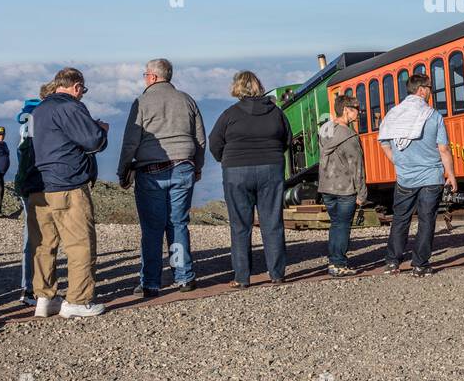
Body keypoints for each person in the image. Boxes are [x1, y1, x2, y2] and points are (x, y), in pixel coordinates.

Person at [117, 58, 207, 296]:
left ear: (154, 77)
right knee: (178, 222)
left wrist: (123, 171)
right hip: (184, 167)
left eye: (145, 74)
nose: (144, 78)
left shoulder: (142, 102)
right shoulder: (187, 100)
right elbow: (200, 139)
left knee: (152, 227)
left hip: (151, 170)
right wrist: (197, 167)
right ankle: (184, 277)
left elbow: (130, 142)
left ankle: (150, 282)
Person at [29, 68, 109, 318]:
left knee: (43, 244)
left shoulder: (37, 110)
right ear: (76, 86)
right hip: (67, 183)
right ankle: (78, 300)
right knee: (79, 244)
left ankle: (45, 296)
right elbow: (93, 141)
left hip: (38, 186)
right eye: (82, 90)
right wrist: (101, 129)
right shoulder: (71, 107)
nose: (82, 94)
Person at [208, 71, 290, 287]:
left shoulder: (230, 114)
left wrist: (225, 160)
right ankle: (277, 273)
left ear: (237, 88)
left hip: (236, 172)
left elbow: (214, 141)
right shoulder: (276, 113)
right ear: (259, 86)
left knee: (240, 225)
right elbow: (287, 139)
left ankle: (242, 277)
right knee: (272, 222)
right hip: (271, 169)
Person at [376, 73, 457, 277]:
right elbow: (444, 149)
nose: (431, 91)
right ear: (421, 90)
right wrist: (451, 174)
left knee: (400, 219)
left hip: (405, 177)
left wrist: (397, 160)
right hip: (431, 176)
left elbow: (383, 141)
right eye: (429, 87)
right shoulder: (433, 116)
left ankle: (393, 262)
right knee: (426, 220)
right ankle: (420, 264)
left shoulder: (394, 114)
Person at [13, 82, 54, 306]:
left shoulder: (26, 121)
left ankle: (27, 288)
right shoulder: (47, 119)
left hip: (25, 183)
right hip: (45, 183)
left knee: (31, 237)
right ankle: (41, 289)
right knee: (46, 239)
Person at [317, 93, 367, 277]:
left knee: (336, 224)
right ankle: (338, 263)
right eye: (356, 110)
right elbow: (357, 167)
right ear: (346, 110)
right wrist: (362, 193)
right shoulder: (349, 136)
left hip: (326, 187)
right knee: (343, 225)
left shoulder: (325, 131)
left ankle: (334, 259)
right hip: (345, 188)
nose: (358, 113)